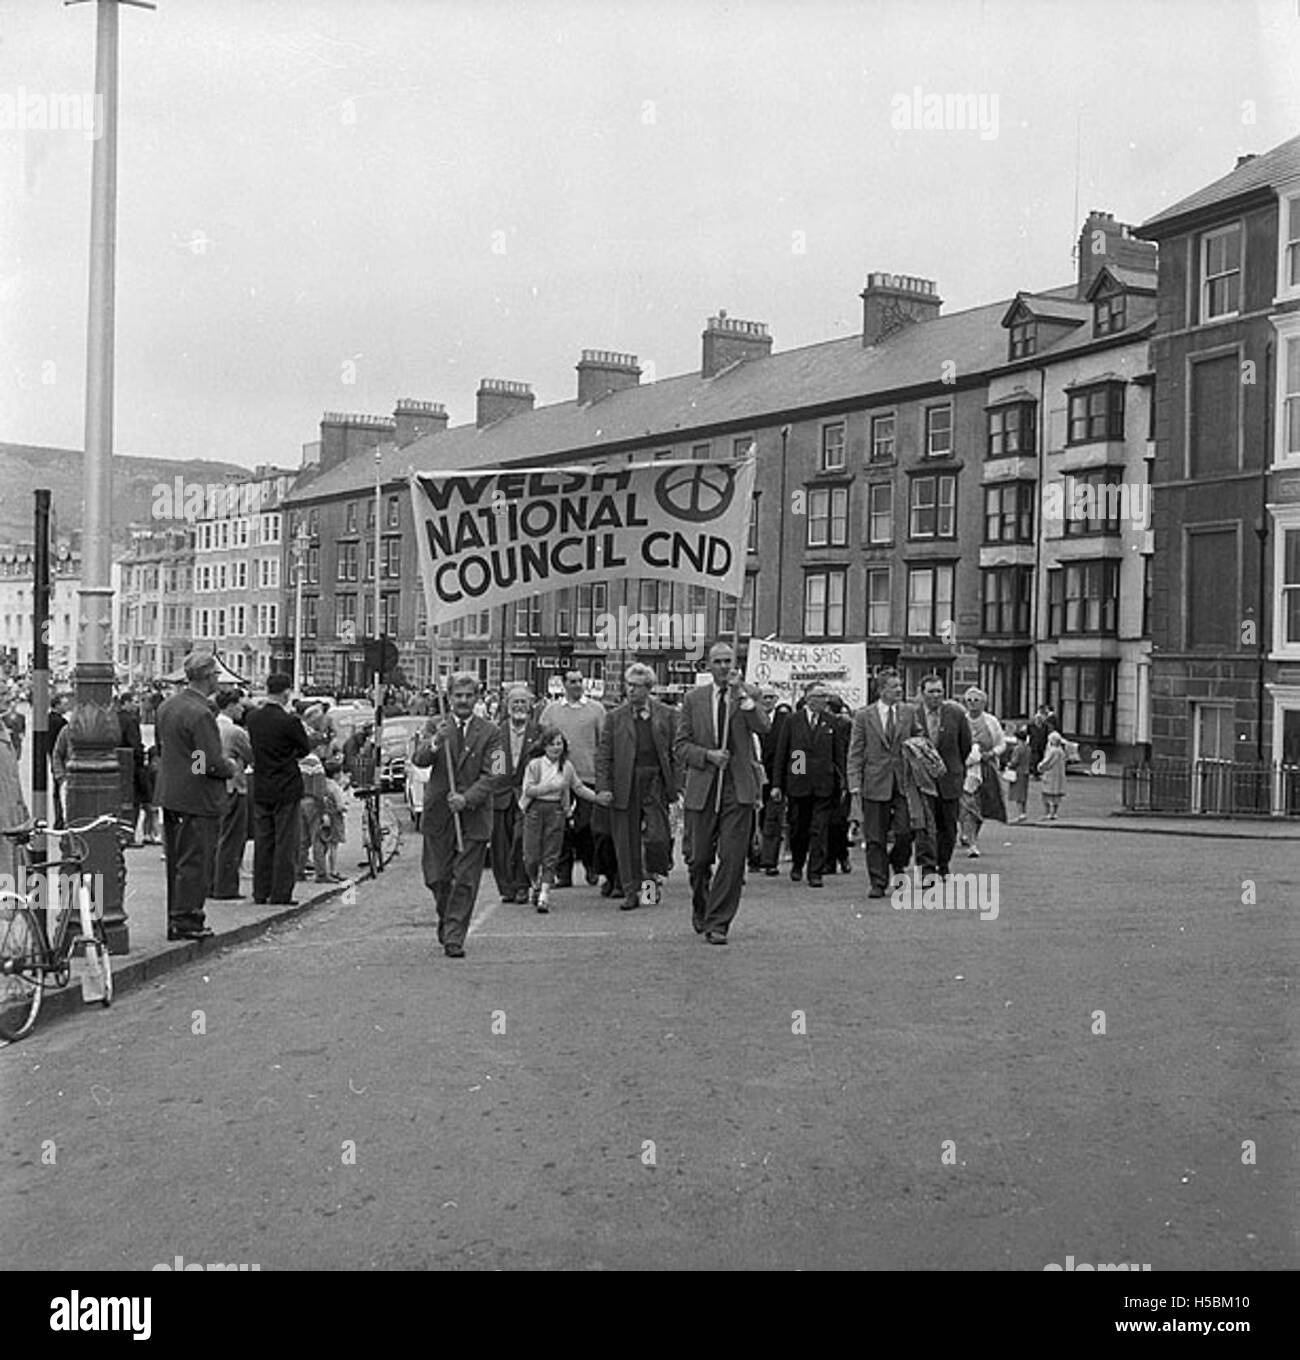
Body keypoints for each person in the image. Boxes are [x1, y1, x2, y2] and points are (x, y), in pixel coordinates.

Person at [675, 641, 770, 945]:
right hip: (704, 786)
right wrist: (707, 755)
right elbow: (681, 746)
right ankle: (702, 906)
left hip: (737, 788)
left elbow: (763, 727)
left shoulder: (747, 695)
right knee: (699, 858)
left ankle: (719, 923)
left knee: (731, 858)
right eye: (718, 662)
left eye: (729, 661)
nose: (724, 667)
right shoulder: (693, 699)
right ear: (708, 666)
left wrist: (742, 695)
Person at [409, 672, 502, 959]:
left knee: (464, 879)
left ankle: (454, 935)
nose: (463, 701)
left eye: (468, 695)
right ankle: (447, 916)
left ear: (476, 698)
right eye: (458, 695)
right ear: (449, 697)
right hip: (439, 815)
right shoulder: (436, 725)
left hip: (473, 818)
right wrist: (437, 742)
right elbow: (418, 758)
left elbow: (496, 774)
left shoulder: (492, 732)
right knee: (437, 877)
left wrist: (468, 798)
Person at [154, 650, 234, 940]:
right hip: (197, 797)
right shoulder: (201, 713)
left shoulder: (168, 706)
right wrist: (228, 767)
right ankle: (189, 918)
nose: (218, 680)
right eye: (216, 675)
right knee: (195, 861)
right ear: (206, 676)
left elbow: (169, 749)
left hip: (171, 793)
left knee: (176, 859)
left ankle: (175, 917)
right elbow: (205, 760)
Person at [596, 663, 677, 912]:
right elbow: (603, 756)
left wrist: (677, 785)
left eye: (636, 686)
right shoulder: (614, 718)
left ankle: (651, 884)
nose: (631, 690)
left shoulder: (667, 714)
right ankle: (632, 892)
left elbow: (677, 751)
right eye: (628, 685)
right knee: (626, 841)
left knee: (657, 839)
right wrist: (604, 787)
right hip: (624, 782)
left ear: (649, 688)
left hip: (655, 781)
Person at [847, 668, 919, 898]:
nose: (899, 690)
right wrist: (854, 783)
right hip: (874, 782)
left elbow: (920, 739)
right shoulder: (864, 716)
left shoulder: (909, 712)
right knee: (875, 836)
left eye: (900, 686)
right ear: (881, 690)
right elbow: (856, 751)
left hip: (902, 781)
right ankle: (878, 881)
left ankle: (897, 864)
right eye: (894, 686)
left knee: (905, 831)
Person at [520, 728, 609, 912]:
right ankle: (535, 883)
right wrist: (550, 786)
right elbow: (528, 790)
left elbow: (578, 787)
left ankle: (544, 893)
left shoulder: (567, 767)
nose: (556, 748)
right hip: (535, 810)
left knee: (551, 855)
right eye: (552, 744)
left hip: (556, 811)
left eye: (559, 743)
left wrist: (597, 798)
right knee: (531, 856)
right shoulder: (535, 765)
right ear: (544, 746)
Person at [245, 673, 311, 906]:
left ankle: (260, 891)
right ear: (285, 693)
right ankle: (281, 892)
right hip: (285, 785)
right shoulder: (289, 722)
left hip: (261, 784)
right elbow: (304, 749)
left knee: (263, 840)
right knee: (286, 841)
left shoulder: (253, 719)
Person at [775, 683, 847, 889]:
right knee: (799, 828)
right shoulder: (792, 721)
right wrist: (778, 784)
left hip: (824, 783)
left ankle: (815, 871)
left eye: (826, 696)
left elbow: (839, 754)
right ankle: (798, 862)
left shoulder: (832, 722)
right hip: (799, 780)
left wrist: (843, 782)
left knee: (820, 829)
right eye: (819, 696)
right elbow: (783, 753)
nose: (824, 700)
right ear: (808, 698)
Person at [539, 669, 605, 890]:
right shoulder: (551, 712)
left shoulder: (596, 710)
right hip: (558, 776)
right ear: (564, 684)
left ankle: (591, 866)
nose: (577, 685)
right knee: (560, 828)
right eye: (572, 681)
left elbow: (603, 744)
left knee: (586, 826)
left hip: (587, 775)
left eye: (580, 681)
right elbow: (543, 742)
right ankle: (563, 873)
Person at [912, 673, 972, 881]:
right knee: (924, 827)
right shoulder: (913, 714)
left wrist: (954, 767)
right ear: (922, 693)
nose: (936, 696)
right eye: (931, 691)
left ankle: (943, 864)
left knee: (947, 827)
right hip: (922, 782)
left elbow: (965, 745)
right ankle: (926, 869)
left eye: (939, 691)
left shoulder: (956, 713)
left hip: (949, 779)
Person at [491, 687, 540, 904]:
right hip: (501, 795)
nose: (519, 706)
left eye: (523, 702)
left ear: (530, 706)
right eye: (515, 702)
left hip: (526, 795)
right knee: (500, 845)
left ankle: (522, 885)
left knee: (522, 841)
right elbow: (496, 767)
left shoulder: (538, 732)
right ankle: (506, 887)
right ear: (507, 705)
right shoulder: (497, 733)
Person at [211, 689, 253, 899]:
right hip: (234, 786)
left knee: (214, 837)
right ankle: (226, 886)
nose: (242, 708)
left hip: (212, 788)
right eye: (239, 704)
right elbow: (250, 756)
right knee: (232, 839)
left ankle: (210, 883)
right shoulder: (236, 732)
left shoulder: (208, 726)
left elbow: (198, 758)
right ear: (230, 705)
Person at [958, 687, 1007, 857]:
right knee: (968, 804)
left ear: (984, 703)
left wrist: (991, 754)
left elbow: (1002, 744)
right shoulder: (961, 720)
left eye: (976, 700)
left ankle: (973, 835)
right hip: (966, 769)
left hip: (986, 769)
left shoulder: (991, 721)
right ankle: (970, 840)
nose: (972, 704)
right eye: (969, 700)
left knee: (982, 806)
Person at [754, 688, 791, 876]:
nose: (768, 701)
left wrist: (795, 776)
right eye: (764, 697)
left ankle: (769, 861)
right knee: (754, 820)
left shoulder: (785, 720)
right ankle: (754, 857)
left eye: (771, 697)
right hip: (754, 778)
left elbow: (793, 752)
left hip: (776, 777)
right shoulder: (751, 717)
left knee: (773, 820)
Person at [823, 694, 854, 874]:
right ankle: (829, 859)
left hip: (841, 778)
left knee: (838, 821)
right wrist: (799, 774)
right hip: (819, 778)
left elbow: (849, 752)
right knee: (823, 822)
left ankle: (840, 856)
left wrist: (848, 779)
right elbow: (799, 752)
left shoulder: (844, 725)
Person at [117, 691, 146, 845]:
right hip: (131, 766)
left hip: (118, 765)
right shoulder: (130, 720)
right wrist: (141, 759)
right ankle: (129, 833)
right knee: (133, 801)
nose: (137, 705)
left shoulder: (114, 718)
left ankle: (121, 833)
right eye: (134, 702)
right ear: (126, 702)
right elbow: (135, 744)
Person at [47, 694, 68, 830]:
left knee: (56, 791)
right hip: (61, 760)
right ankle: (61, 819)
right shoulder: (61, 723)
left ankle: (58, 820)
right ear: (57, 705)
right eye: (64, 704)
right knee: (61, 791)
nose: (67, 706)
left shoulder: (47, 720)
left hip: (53, 758)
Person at [1005, 727, 1033, 823]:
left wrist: (1009, 764)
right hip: (1025, 771)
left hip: (1018, 772)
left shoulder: (1018, 748)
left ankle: (1020, 814)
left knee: (1018, 794)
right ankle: (1023, 812)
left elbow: (1015, 761)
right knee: (1023, 794)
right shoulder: (1028, 748)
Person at [1038, 730, 1068, 819]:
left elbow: (1046, 762)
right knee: (1056, 796)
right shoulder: (1061, 751)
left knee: (1046, 794)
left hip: (1050, 775)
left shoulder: (1052, 751)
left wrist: (1040, 767)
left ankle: (1047, 812)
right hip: (1059, 776)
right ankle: (1054, 813)